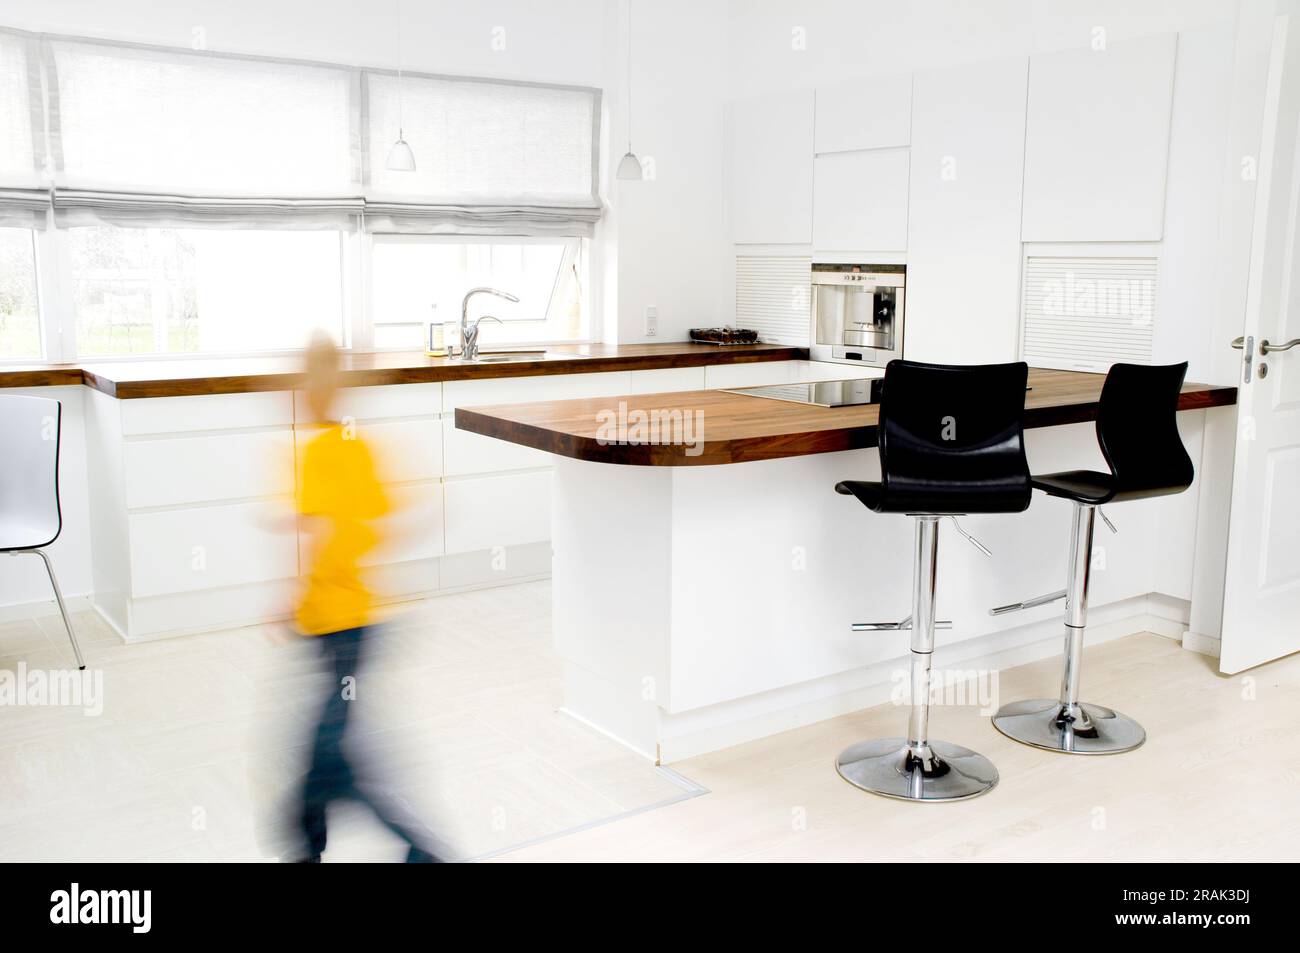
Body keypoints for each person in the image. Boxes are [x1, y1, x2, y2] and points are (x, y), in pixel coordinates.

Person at [290, 332, 440, 863]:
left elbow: (320, 535)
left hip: (342, 622)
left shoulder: (319, 452)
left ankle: (421, 851)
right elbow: (382, 520)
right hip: (357, 616)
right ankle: (305, 839)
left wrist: (298, 593)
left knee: (335, 751)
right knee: (326, 744)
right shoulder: (361, 446)